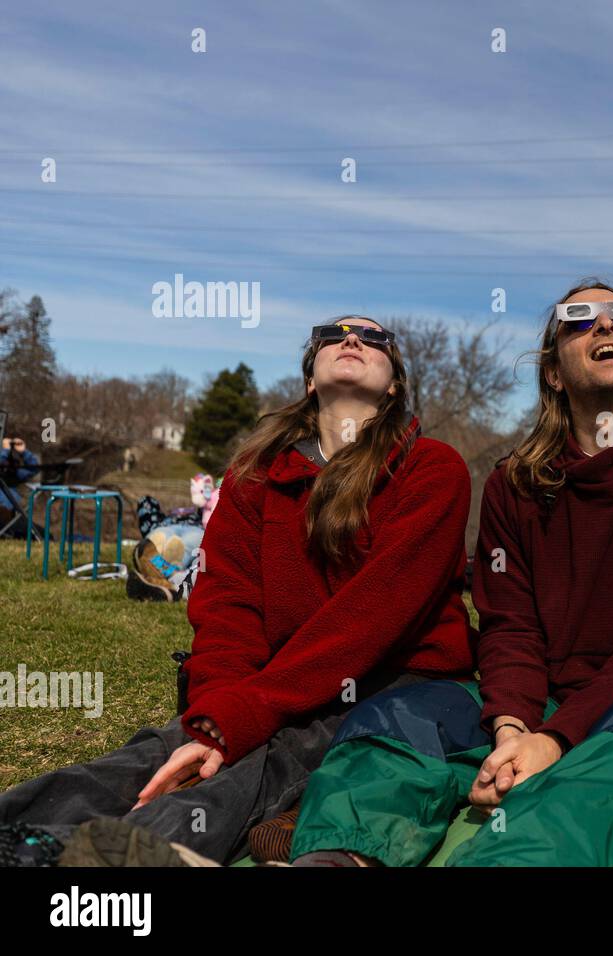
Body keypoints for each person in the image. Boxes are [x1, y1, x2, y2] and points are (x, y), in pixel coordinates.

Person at [288, 280, 613, 867]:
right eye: (578, 321)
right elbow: (509, 625)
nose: (603, 326)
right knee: (396, 716)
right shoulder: (514, 484)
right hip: (537, 700)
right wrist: (511, 727)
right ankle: (338, 855)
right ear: (553, 373)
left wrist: (553, 742)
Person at [0, 317, 474, 866]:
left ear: (394, 384)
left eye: (373, 339)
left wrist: (245, 716)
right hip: (276, 680)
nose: (351, 340)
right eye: (333, 334)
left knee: (271, 756)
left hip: (390, 684)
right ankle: (16, 828)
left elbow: (371, 618)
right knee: (170, 747)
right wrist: (215, 711)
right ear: (309, 379)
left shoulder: (432, 468)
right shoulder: (256, 474)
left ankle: (118, 856)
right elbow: (227, 608)